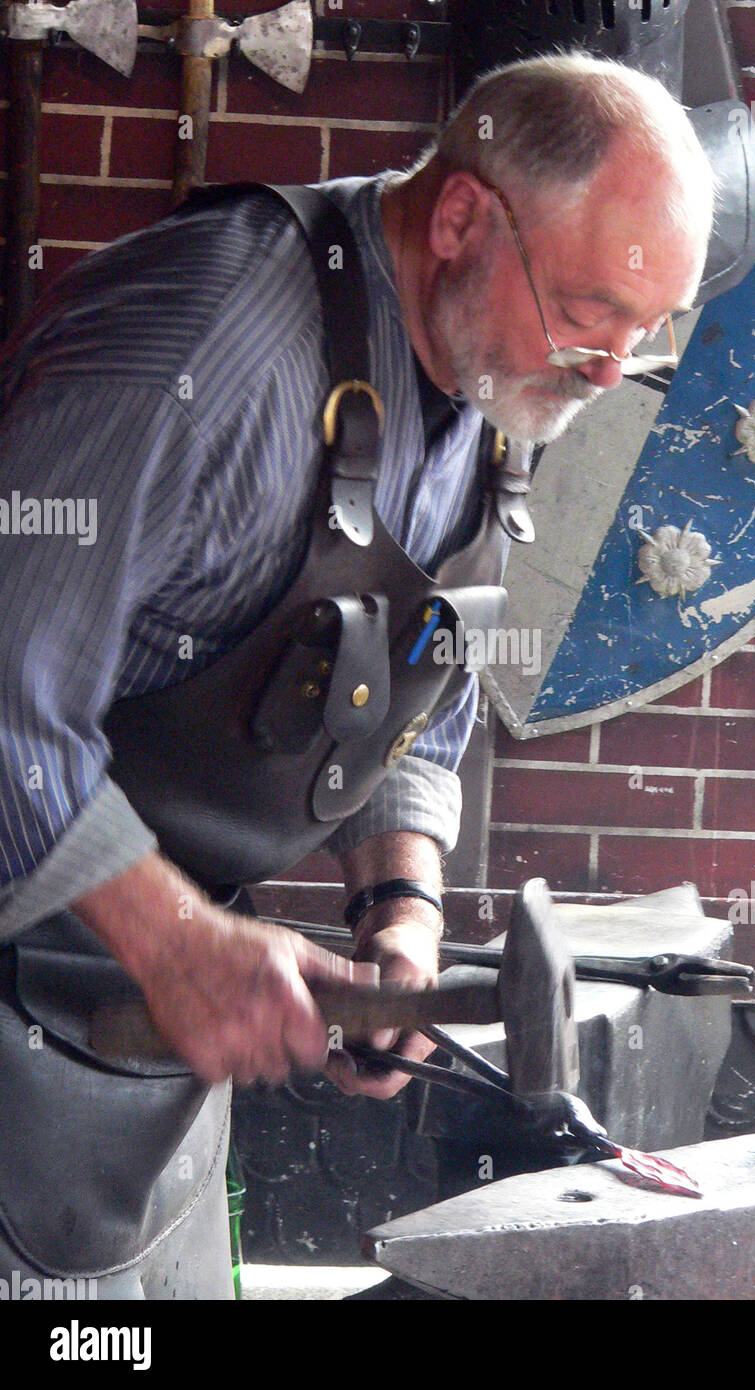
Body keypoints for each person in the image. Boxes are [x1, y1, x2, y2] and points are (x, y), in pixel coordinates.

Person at [0, 52, 713, 1294]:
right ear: (460, 221)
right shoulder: (207, 350)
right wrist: (175, 939)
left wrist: (402, 914)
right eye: (589, 314)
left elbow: (411, 686)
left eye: (642, 339)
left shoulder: (496, 377)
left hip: (142, 1063)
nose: (607, 375)